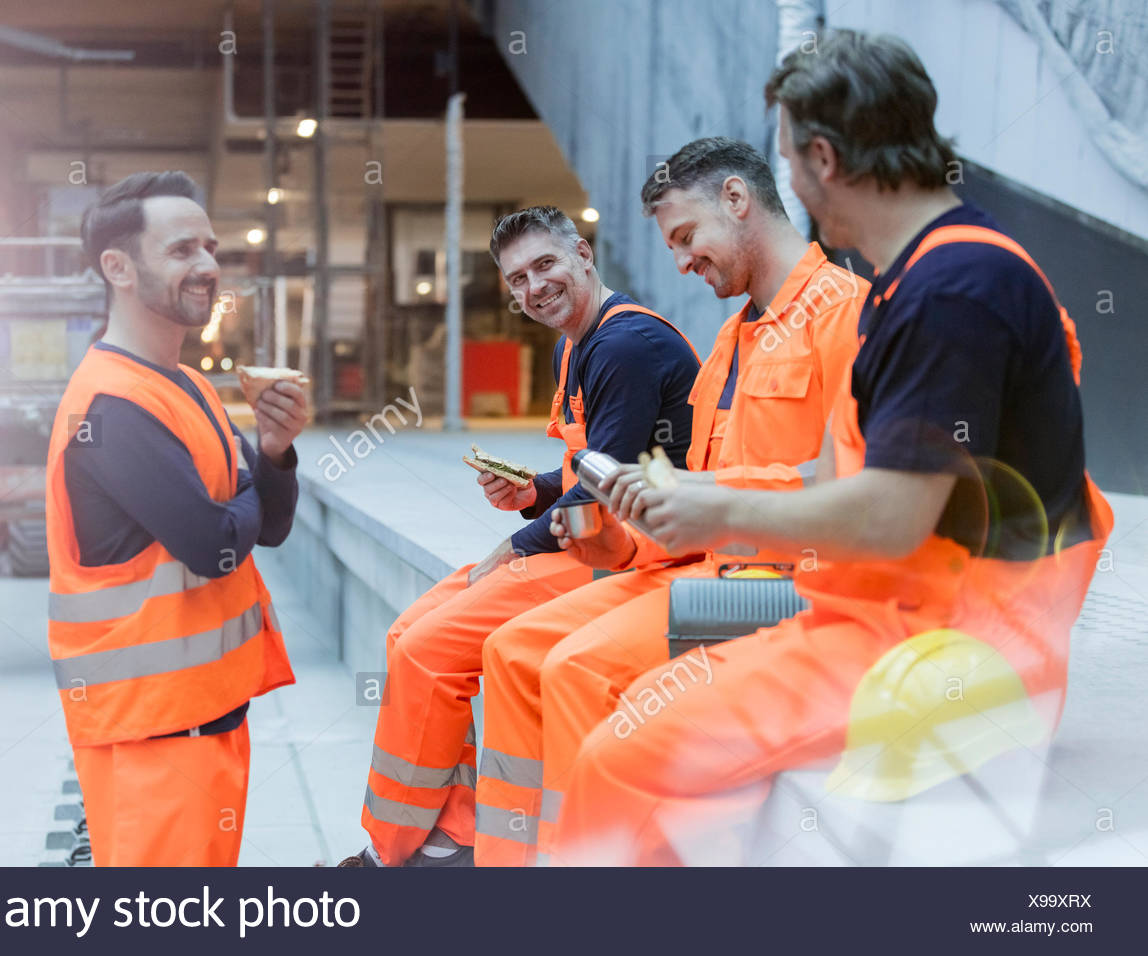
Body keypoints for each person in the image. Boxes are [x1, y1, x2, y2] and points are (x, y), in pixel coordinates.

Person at [553, 30, 1113, 865]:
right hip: (872, 614)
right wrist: (694, 511)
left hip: (945, 650)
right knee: (615, 715)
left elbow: (891, 518)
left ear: (821, 157)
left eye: (788, 159)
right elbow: (837, 477)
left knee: (624, 759)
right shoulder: (913, 283)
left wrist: (712, 507)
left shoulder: (952, 291)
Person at [474, 139, 866, 865]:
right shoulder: (729, 341)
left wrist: (699, 501)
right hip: (709, 573)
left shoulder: (844, 317)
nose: (680, 261)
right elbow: (690, 502)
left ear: (737, 201)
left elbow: (854, 492)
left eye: (686, 237)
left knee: (577, 668)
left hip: (791, 593)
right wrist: (618, 543)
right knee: (512, 648)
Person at [341, 206, 701, 867]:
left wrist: (518, 541)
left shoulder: (623, 346)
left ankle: (397, 856)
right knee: (405, 637)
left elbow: (603, 488)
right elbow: (581, 467)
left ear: (583, 255)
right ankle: (447, 837)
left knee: (426, 652)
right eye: (516, 280)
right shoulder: (576, 342)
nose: (533, 288)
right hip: (585, 535)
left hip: (628, 551)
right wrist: (532, 491)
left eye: (545, 265)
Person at [44, 171, 307, 866]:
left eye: (211, 248)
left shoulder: (186, 384)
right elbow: (213, 543)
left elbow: (266, 528)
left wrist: (274, 454)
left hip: (204, 717)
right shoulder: (111, 406)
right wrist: (247, 493)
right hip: (151, 733)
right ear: (118, 267)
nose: (209, 267)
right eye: (182, 249)